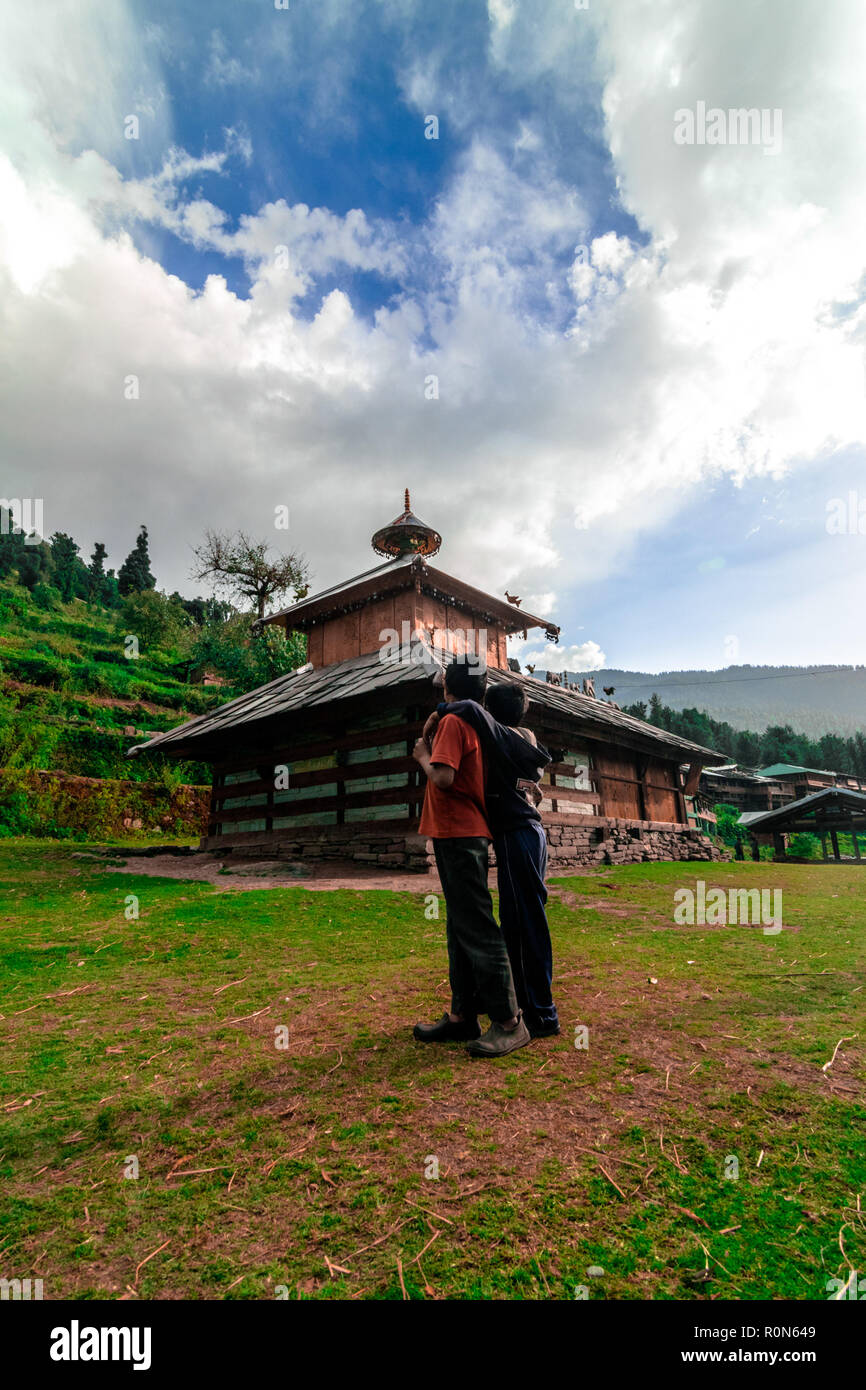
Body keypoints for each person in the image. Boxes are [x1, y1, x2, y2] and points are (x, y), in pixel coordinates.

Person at [425, 682, 560, 1038]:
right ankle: (512, 1002)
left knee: (522, 924)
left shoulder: (501, 736)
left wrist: (439, 712)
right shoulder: (523, 737)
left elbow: (468, 707)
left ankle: (540, 1015)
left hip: (518, 834)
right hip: (528, 833)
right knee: (522, 920)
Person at [412, 657, 530, 1059]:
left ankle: (511, 1022)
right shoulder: (471, 719)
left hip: (460, 833)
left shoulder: (452, 722)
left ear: (448, 685)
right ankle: (463, 1015)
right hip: (462, 834)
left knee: (477, 926)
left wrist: (422, 756)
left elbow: (443, 777)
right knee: (461, 925)